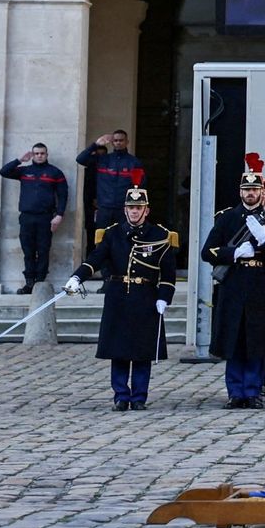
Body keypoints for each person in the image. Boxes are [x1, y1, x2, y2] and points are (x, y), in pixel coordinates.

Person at [60, 170, 175, 410]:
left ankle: (139, 397)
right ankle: (121, 395)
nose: (134, 212)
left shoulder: (160, 235)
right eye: (131, 208)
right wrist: (76, 278)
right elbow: (95, 259)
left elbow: (168, 273)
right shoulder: (113, 234)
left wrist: (164, 297)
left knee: (142, 352)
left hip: (146, 297)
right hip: (118, 297)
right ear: (125, 210)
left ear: (146, 210)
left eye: (139, 208)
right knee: (119, 350)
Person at [201, 154, 265, 408]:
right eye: (246, 189)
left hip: (260, 286)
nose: (250, 194)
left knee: (256, 341)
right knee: (234, 341)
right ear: (240, 192)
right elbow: (207, 252)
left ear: (261, 192)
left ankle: (252, 391)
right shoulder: (227, 218)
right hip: (234, 285)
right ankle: (235, 392)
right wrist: (233, 253)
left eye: (254, 189)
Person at [1, 143, 68, 293]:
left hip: (45, 218)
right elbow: (4, 172)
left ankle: (40, 283)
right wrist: (19, 160)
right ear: (33, 155)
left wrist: (59, 215)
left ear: (46, 154)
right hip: (26, 217)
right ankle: (29, 283)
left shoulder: (55, 173)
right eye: (36, 153)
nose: (39, 156)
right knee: (28, 251)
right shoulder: (25, 171)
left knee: (43, 250)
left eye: (42, 153)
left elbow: (63, 195)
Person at [76, 130, 142, 233]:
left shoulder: (134, 163)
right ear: (112, 142)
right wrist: (96, 144)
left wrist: (135, 208)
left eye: (121, 140)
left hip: (123, 210)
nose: (118, 143)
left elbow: (139, 186)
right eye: (115, 140)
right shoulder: (102, 160)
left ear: (127, 142)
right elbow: (80, 159)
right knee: (102, 241)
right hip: (104, 209)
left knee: (123, 241)